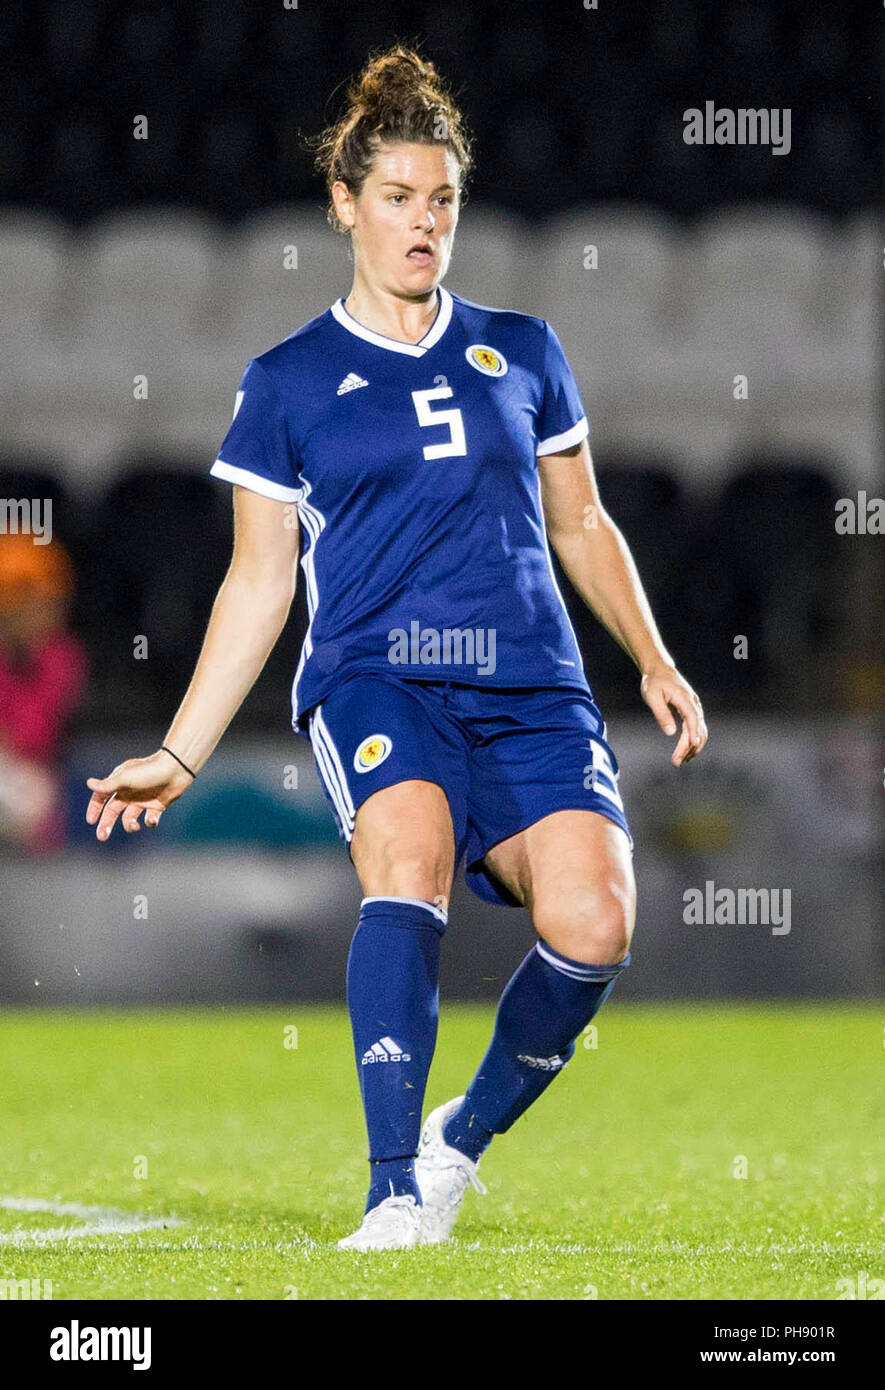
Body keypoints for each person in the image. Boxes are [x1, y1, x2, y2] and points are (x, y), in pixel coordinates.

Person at [86, 46, 708, 1252]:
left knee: (596, 924)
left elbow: (580, 520)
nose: (423, 225)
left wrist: (654, 653)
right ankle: (389, 1194)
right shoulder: (286, 382)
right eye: (396, 199)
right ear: (344, 203)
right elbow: (259, 581)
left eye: (442, 201)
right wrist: (180, 748)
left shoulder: (524, 349)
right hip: (379, 675)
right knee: (408, 857)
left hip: (532, 686)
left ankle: (456, 1142)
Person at [0, 531, 87, 853]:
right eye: (31, 603)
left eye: (51, 603)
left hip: (31, 810)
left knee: (29, 795)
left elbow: (30, 738)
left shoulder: (62, 656)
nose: (46, 614)